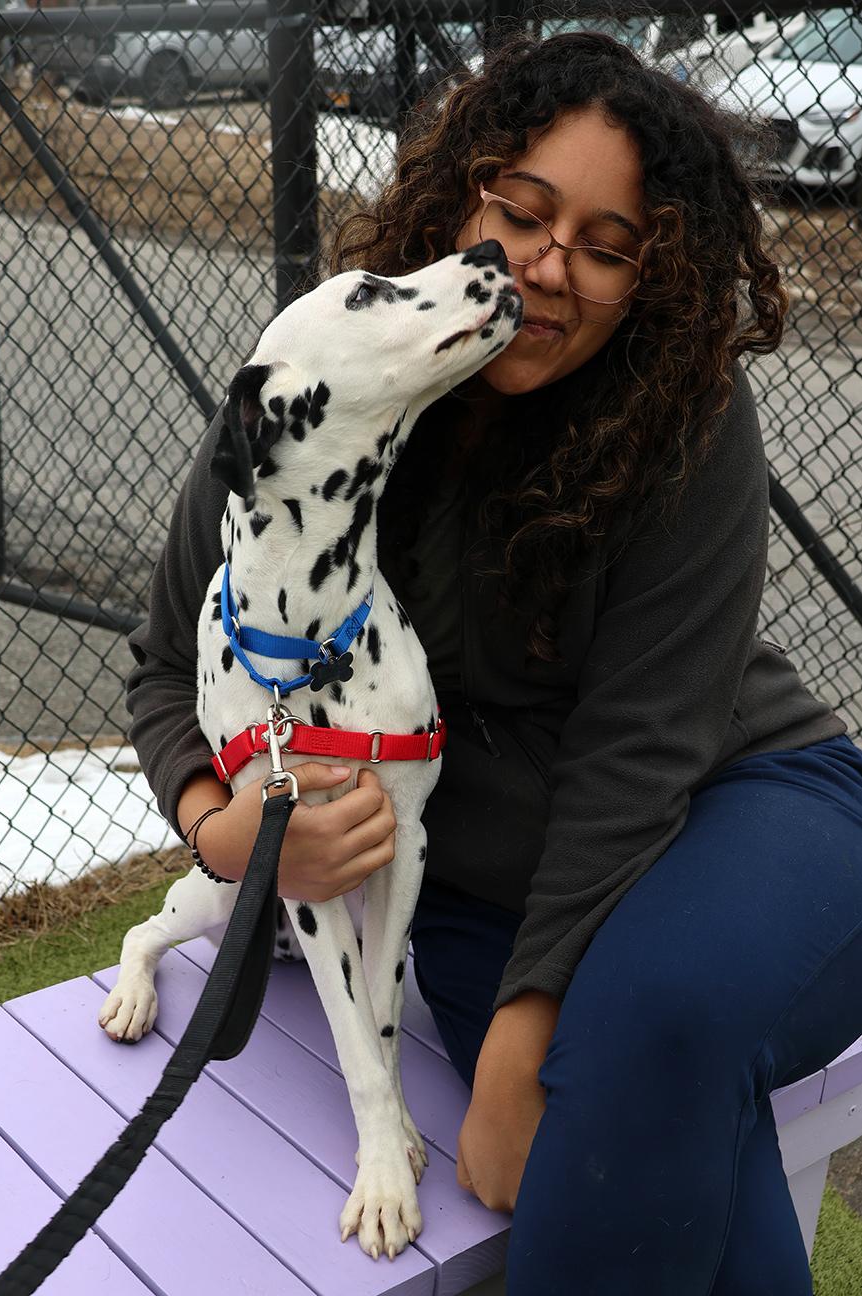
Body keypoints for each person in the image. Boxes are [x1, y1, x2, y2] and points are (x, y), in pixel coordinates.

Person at [126, 29, 862, 1295]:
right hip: (483, 894)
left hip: (737, 807)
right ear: (462, 194)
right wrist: (223, 830)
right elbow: (160, 669)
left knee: (646, 1037)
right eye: (522, 209)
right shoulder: (325, 375)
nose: (549, 265)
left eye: (607, 244)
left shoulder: (681, 414)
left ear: (652, 275)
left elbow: (644, 751)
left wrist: (522, 1037)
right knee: (666, 1141)